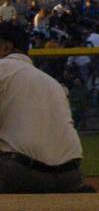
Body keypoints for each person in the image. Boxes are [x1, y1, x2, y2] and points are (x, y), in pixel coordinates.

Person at [0, 22, 91, 194]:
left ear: (6, 46)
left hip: (21, 175)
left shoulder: (3, 68)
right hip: (71, 177)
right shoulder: (52, 82)